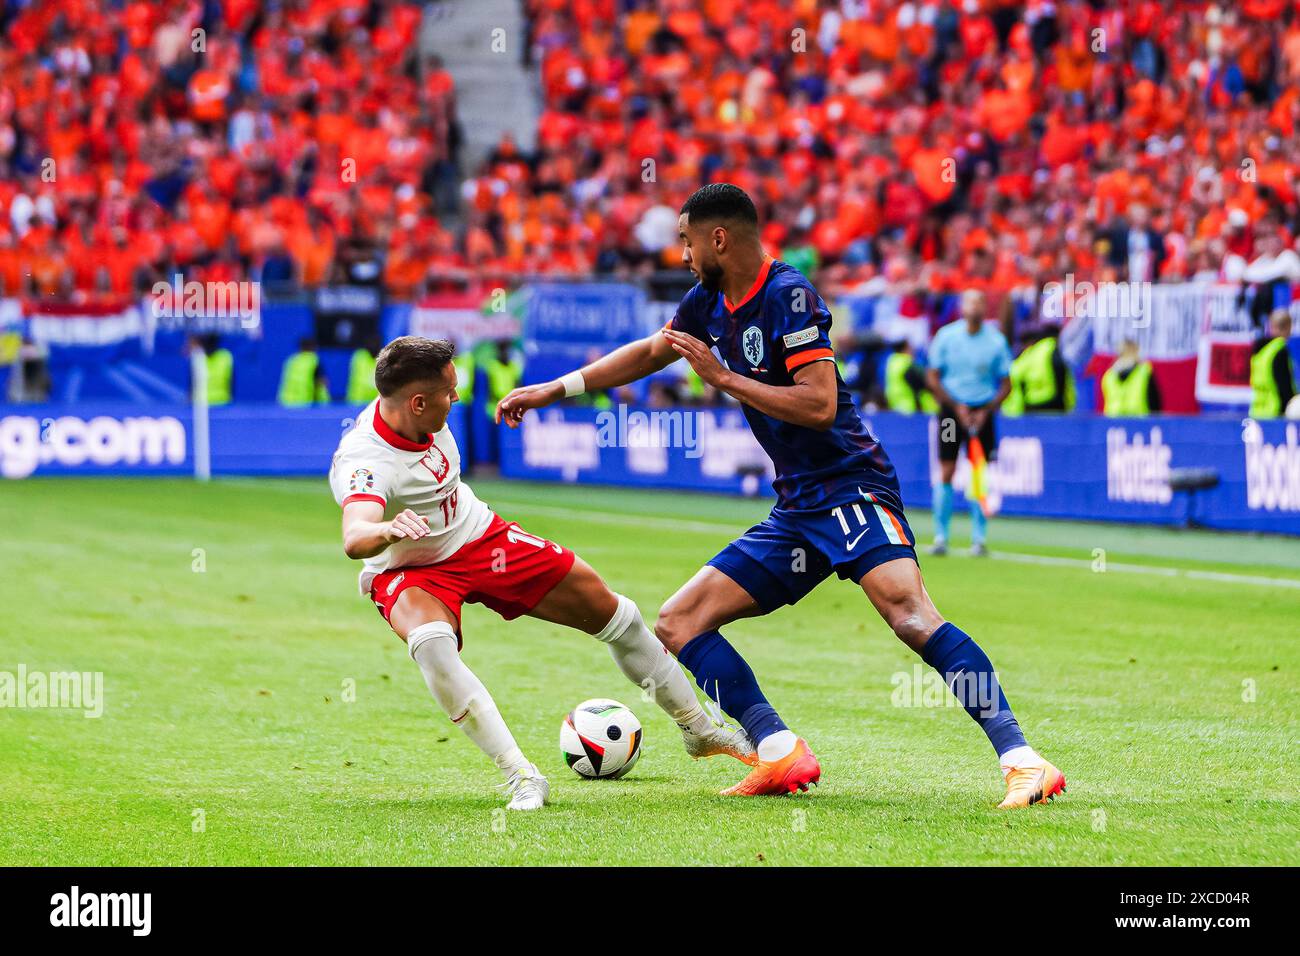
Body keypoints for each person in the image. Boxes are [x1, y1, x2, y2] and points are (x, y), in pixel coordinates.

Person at [497, 184, 1064, 808]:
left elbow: (820, 405)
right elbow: (655, 351)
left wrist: (724, 379)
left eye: (687, 240)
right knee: (679, 621)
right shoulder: (710, 298)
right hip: (797, 506)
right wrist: (556, 388)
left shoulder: (788, 294)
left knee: (909, 613)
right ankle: (777, 751)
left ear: (719, 238)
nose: (681, 254)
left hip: (849, 484)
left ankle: (1023, 759)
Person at [329, 336, 753, 811]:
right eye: (450, 392)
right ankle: (521, 776)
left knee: (617, 615)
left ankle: (699, 729)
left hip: (476, 535)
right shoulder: (365, 459)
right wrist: (387, 529)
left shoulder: (418, 411)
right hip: (412, 569)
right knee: (431, 645)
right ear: (418, 402)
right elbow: (354, 535)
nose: (458, 397)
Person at [925, 289, 1012, 558]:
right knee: (948, 469)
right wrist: (955, 406)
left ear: (985, 307)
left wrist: (987, 409)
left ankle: (979, 538)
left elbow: (1006, 383)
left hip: (982, 411)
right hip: (952, 410)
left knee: (979, 472)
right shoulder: (947, 337)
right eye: (970, 301)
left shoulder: (996, 341)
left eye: (979, 301)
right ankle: (941, 536)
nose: (974, 306)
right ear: (962, 307)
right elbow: (932, 377)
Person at [1004, 323, 1074, 415]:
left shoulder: (1030, 353)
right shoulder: (1054, 349)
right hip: (1055, 406)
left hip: (1029, 406)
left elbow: (1015, 373)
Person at [1250, 308, 1296, 420]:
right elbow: (1284, 385)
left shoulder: (1260, 351)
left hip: (1257, 411)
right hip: (1275, 412)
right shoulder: (1279, 350)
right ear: (1288, 327)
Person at [1101, 339, 1161, 417]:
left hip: (1113, 424)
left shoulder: (1109, 375)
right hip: (1140, 424)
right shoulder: (1144, 372)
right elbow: (1155, 403)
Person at [883, 339, 936, 413]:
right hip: (911, 409)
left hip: (896, 406)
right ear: (906, 348)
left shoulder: (892, 362)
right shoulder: (907, 364)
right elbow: (926, 383)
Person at [279, 338, 330, 406]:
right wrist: (324, 402)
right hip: (305, 404)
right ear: (314, 347)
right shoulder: (313, 360)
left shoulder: (292, 360)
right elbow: (321, 383)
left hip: (286, 403)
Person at [346, 337, 381, 405]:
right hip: (356, 402)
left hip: (374, 403)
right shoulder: (359, 356)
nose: (373, 347)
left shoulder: (383, 359)